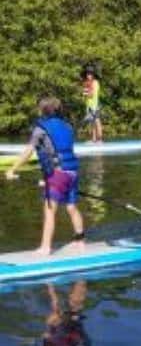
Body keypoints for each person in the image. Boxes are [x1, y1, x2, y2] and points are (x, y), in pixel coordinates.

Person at [5, 97, 86, 255]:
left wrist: (12, 170)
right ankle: (80, 242)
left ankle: (45, 247)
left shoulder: (40, 128)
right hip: (72, 172)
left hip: (57, 174)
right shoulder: (67, 126)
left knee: (49, 211)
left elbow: (29, 152)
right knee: (71, 207)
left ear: (44, 110)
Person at [81, 65, 103, 143]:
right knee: (91, 123)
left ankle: (100, 139)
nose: (88, 75)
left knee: (97, 121)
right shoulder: (87, 83)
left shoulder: (95, 83)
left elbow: (91, 94)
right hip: (89, 105)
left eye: (90, 74)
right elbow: (85, 94)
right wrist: (85, 91)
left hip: (95, 105)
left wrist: (86, 92)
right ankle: (93, 139)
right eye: (87, 74)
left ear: (93, 75)